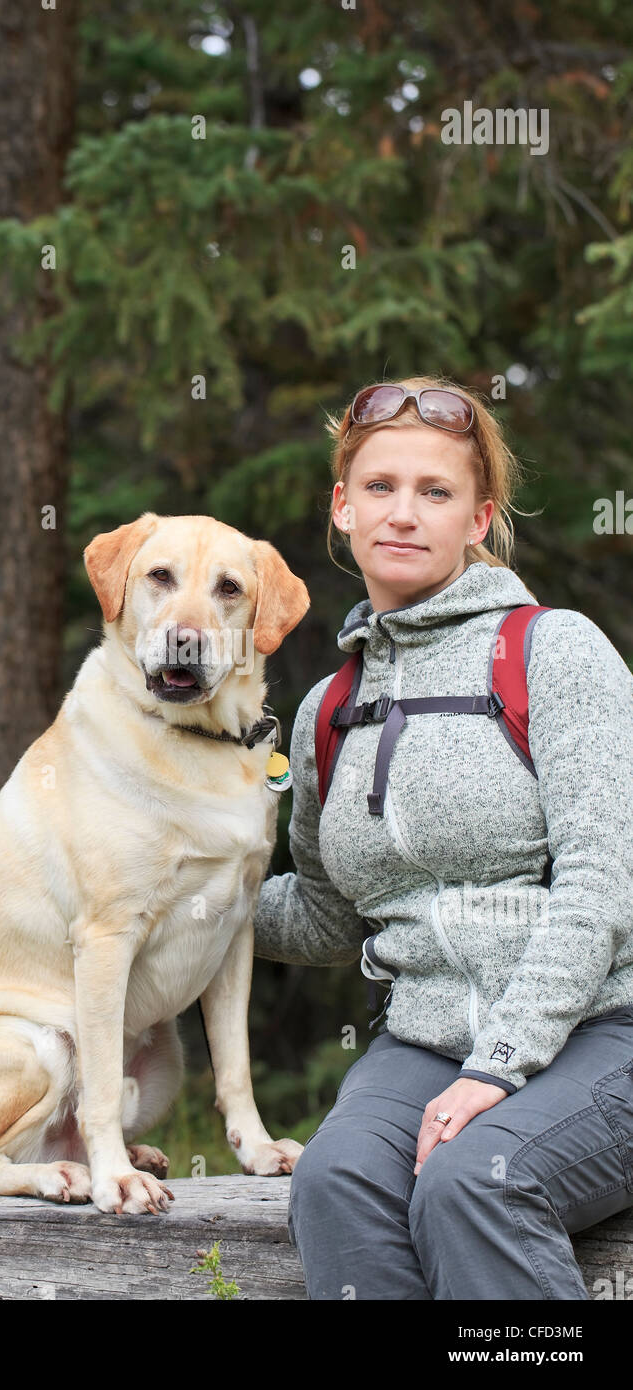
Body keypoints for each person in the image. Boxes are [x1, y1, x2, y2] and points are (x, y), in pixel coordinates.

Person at [252, 375, 633, 1300]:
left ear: (479, 517)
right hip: (424, 1044)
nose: (404, 514)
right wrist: (180, 892)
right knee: (335, 1181)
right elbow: (327, 917)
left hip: (603, 1030)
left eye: (436, 493)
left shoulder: (555, 651)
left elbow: (603, 884)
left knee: (477, 1181)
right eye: (380, 488)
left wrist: (501, 1067)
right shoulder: (327, 712)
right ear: (343, 508)